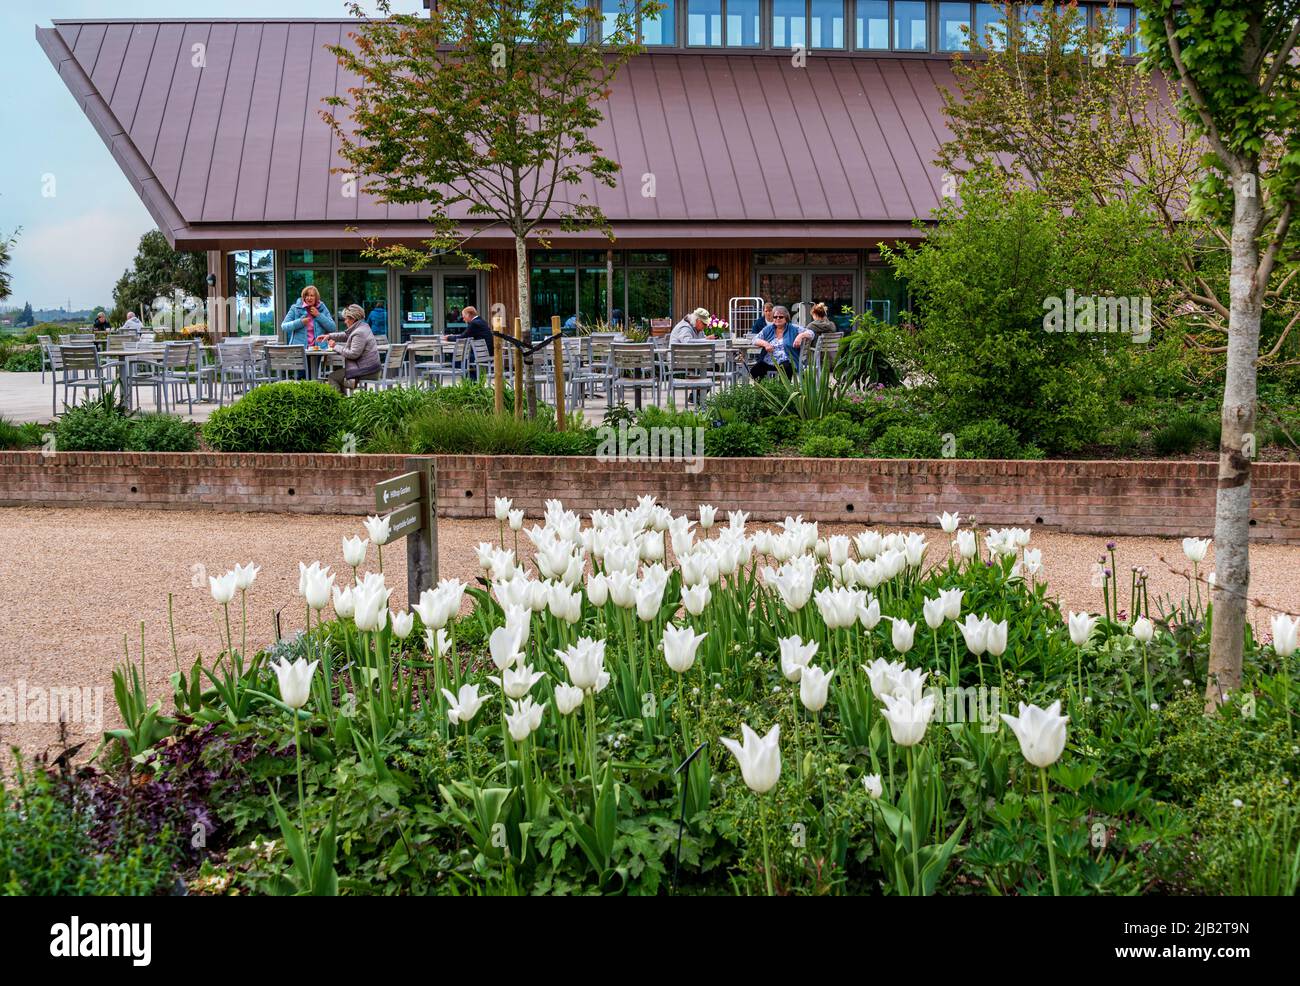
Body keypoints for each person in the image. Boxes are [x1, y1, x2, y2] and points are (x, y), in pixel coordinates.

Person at [320, 303, 381, 393]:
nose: (345, 322)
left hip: (367, 371)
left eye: (346, 319)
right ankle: (344, 403)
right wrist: (329, 336)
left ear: (352, 319)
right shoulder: (363, 326)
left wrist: (335, 346)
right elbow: (346, 335)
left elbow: (353, 354)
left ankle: (339, 404)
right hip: (371, 368)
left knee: (333, 377)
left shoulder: (359, 332)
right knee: (339, 377)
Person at [749, 305, 811, 380]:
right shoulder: (768, 329)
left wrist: (800, 336)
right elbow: (754, 339)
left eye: (781, 317)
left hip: (787, 361)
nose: (777, 318)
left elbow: (811, 333)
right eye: (775, 317)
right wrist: (765, 344)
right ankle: (764, 390)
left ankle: (784, 390)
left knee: (786, 368)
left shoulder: (793, 328)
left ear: (786, 318)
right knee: (755, 370)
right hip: (769, 361)